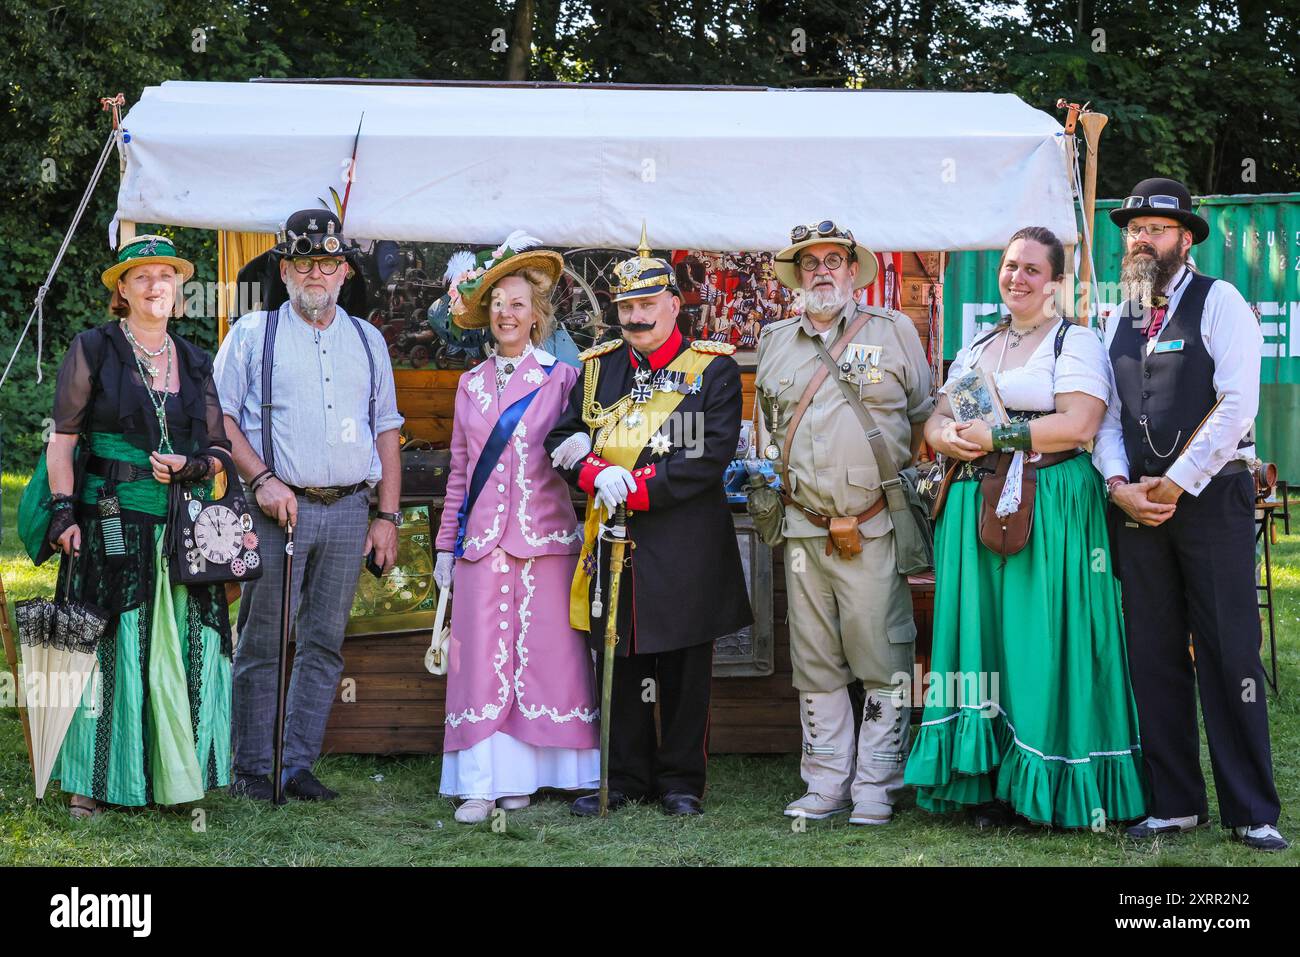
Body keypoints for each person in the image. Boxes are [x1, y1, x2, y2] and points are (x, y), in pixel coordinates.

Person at [903, 226, 1147, 829]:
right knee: (981, 638)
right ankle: (984, 781)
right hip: (974, 501)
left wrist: (997, 436)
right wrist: (946, 436)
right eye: (1011, 266)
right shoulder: (979, 343)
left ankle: (1049, 781)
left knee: (1037, 638)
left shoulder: (1076, 341)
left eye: (1032, 269)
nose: (1017, 277)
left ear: (1056, 283)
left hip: (1051, 503)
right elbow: (938, 416)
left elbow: (1080, 424)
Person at [1095, 178, 1287, 851]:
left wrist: (1173, 485)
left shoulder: (1220, 302)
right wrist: (1118, 482)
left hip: (1211, 499)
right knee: (1152, 651)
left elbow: (1238, 404)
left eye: (1156, 229)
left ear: (1185, 239)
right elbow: (1106, 416)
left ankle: (1250, 809)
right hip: (1137, 506)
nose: (1141, 239)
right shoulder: (1114, 316)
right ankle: (1174, 803)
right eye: (1134, 229)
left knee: (1229, 649)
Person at [545, 226, 752, 817]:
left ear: (673, 305)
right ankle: (627, 776)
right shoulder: (598, 367)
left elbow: (705, 458)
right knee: (621, 657)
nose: (636, 317)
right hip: (611, 544)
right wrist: (590, 472)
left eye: (645, 305)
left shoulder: (710, 370)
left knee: (685, 670)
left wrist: (630, 489)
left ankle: (683, 782)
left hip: (683, 543)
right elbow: (562, 437)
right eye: (626, 308)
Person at [213, 209, 404, 802]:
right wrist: (263, 479)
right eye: (302, 262)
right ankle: (253, 769)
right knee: (262, 639)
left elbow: (386, 431)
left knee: (323, 642)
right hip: (276, 510)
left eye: (326, 261)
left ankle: (295, 766)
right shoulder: (252, 334)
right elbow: (217, 418)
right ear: (286, 270)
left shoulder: (369, 341)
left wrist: (388, 516)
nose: (314, 272)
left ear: (343, 271)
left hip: (350, 510)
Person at [45, 235, 232, 816]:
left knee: (184, 647)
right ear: (121, 291)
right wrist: (61, 511)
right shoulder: (93, 350)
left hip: (178, 528)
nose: (156, 286)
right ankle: (93, 780)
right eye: (142, 276)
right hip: (107, 521)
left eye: (166, 277)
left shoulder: (198, 360)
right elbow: (64, 440)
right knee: (106, 644)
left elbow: (221, 450)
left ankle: (172, 778)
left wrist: (193, 465)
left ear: (179, 292)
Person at [756, 220, 932, 825]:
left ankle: (877, 785)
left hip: (875, 525)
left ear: (853, 272)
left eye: (834, 260)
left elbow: (926, 416)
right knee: (815, 659)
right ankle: (826, 783)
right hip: (803, 528)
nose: (822, 271)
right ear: (798, 277)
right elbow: (767, 430)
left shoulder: (894, 331)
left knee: (882, 655)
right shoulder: (776, 339)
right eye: (810, 264)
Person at [430, 234, 599, 824]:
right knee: (480, 660)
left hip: (546, 540)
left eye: (519, 303)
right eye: (498, 302)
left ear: (537, 316)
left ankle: (527, 779)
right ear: (486, 314)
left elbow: (578, 454)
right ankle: (481, 783)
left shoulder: (563, 379)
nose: (507, 312)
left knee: (546, 659)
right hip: (481, 545)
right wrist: (447, 547)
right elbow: (459, 471)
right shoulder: (469, 385)